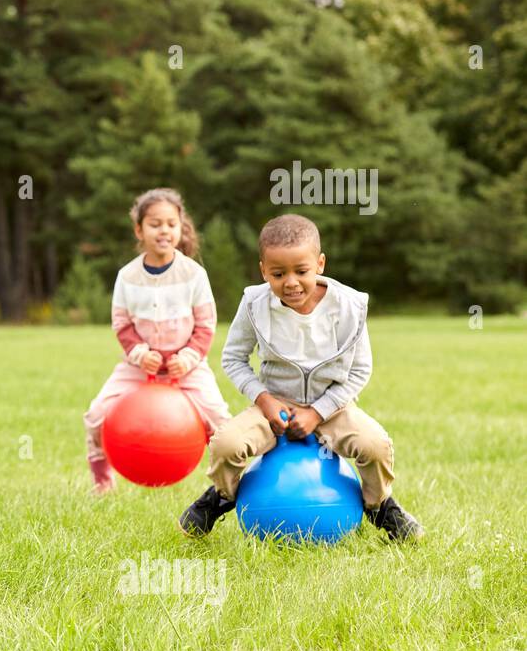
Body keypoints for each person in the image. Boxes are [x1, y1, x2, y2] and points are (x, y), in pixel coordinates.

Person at [179, 213, 422, 541]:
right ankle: (222, 496)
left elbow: (360, 370)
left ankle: (379, 505)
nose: (290, 282)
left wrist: (317, 413)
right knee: (227, 443)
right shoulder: (254, 305)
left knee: (374, 445)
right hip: (274, 405)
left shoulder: (348, 307)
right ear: (264, 270)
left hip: (332, 407)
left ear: (320, 264)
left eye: (301, 271)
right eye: (278, 274)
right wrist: (264, 401)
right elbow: (233, 358)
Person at [84, 188, 231, 494]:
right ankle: (101, 484)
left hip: (187, 366)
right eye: (154, 224)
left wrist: (189, 357)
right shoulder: (127, 276)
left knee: (221, 421)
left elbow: (206, 324)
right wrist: (139, 353)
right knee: (96, 414)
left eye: (171, 224)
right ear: (139, 229)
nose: (163, 230)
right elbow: (122, 323)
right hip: (139, 365)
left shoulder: (194, 274)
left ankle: (227, 486)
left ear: (180, 227)